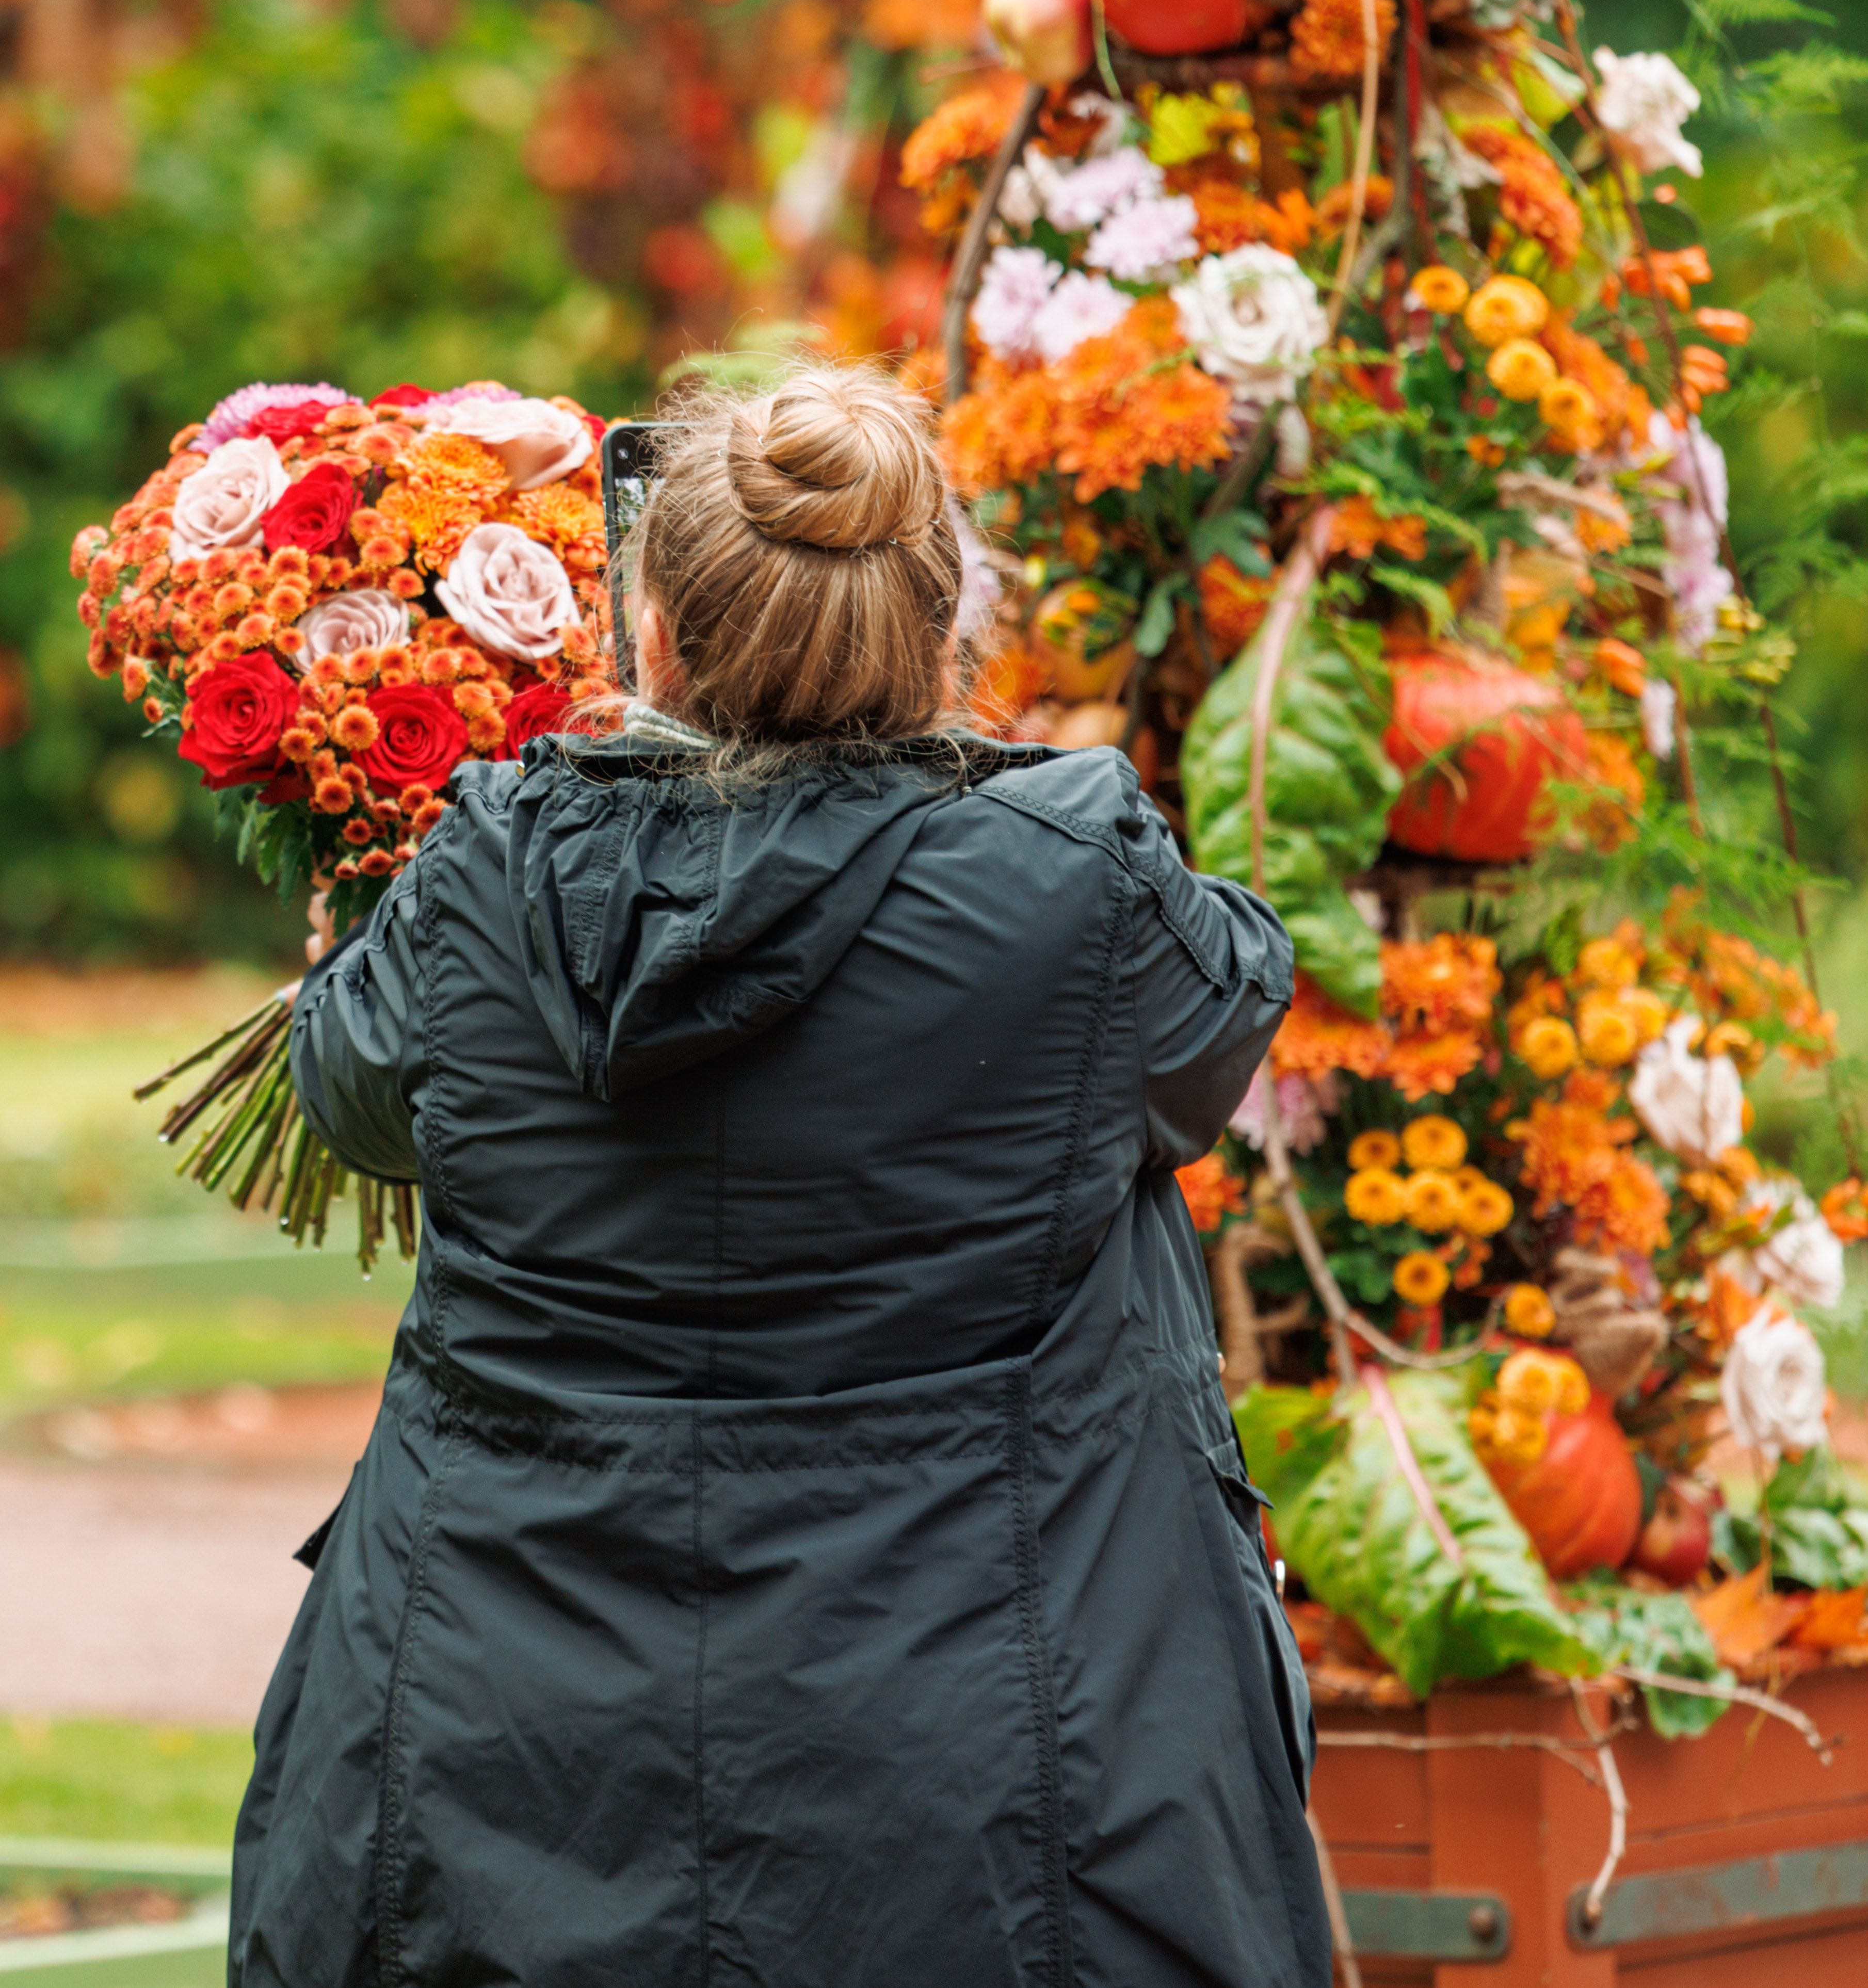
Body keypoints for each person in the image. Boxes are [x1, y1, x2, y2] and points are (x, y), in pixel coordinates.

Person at [229, 364, 1328, 1988]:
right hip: (996, 1809)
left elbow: (347, 1090)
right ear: (943, 630)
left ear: (650, 629)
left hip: (496, 1786)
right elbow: (1222, 1007)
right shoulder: (1073, 886)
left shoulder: (478, 870)